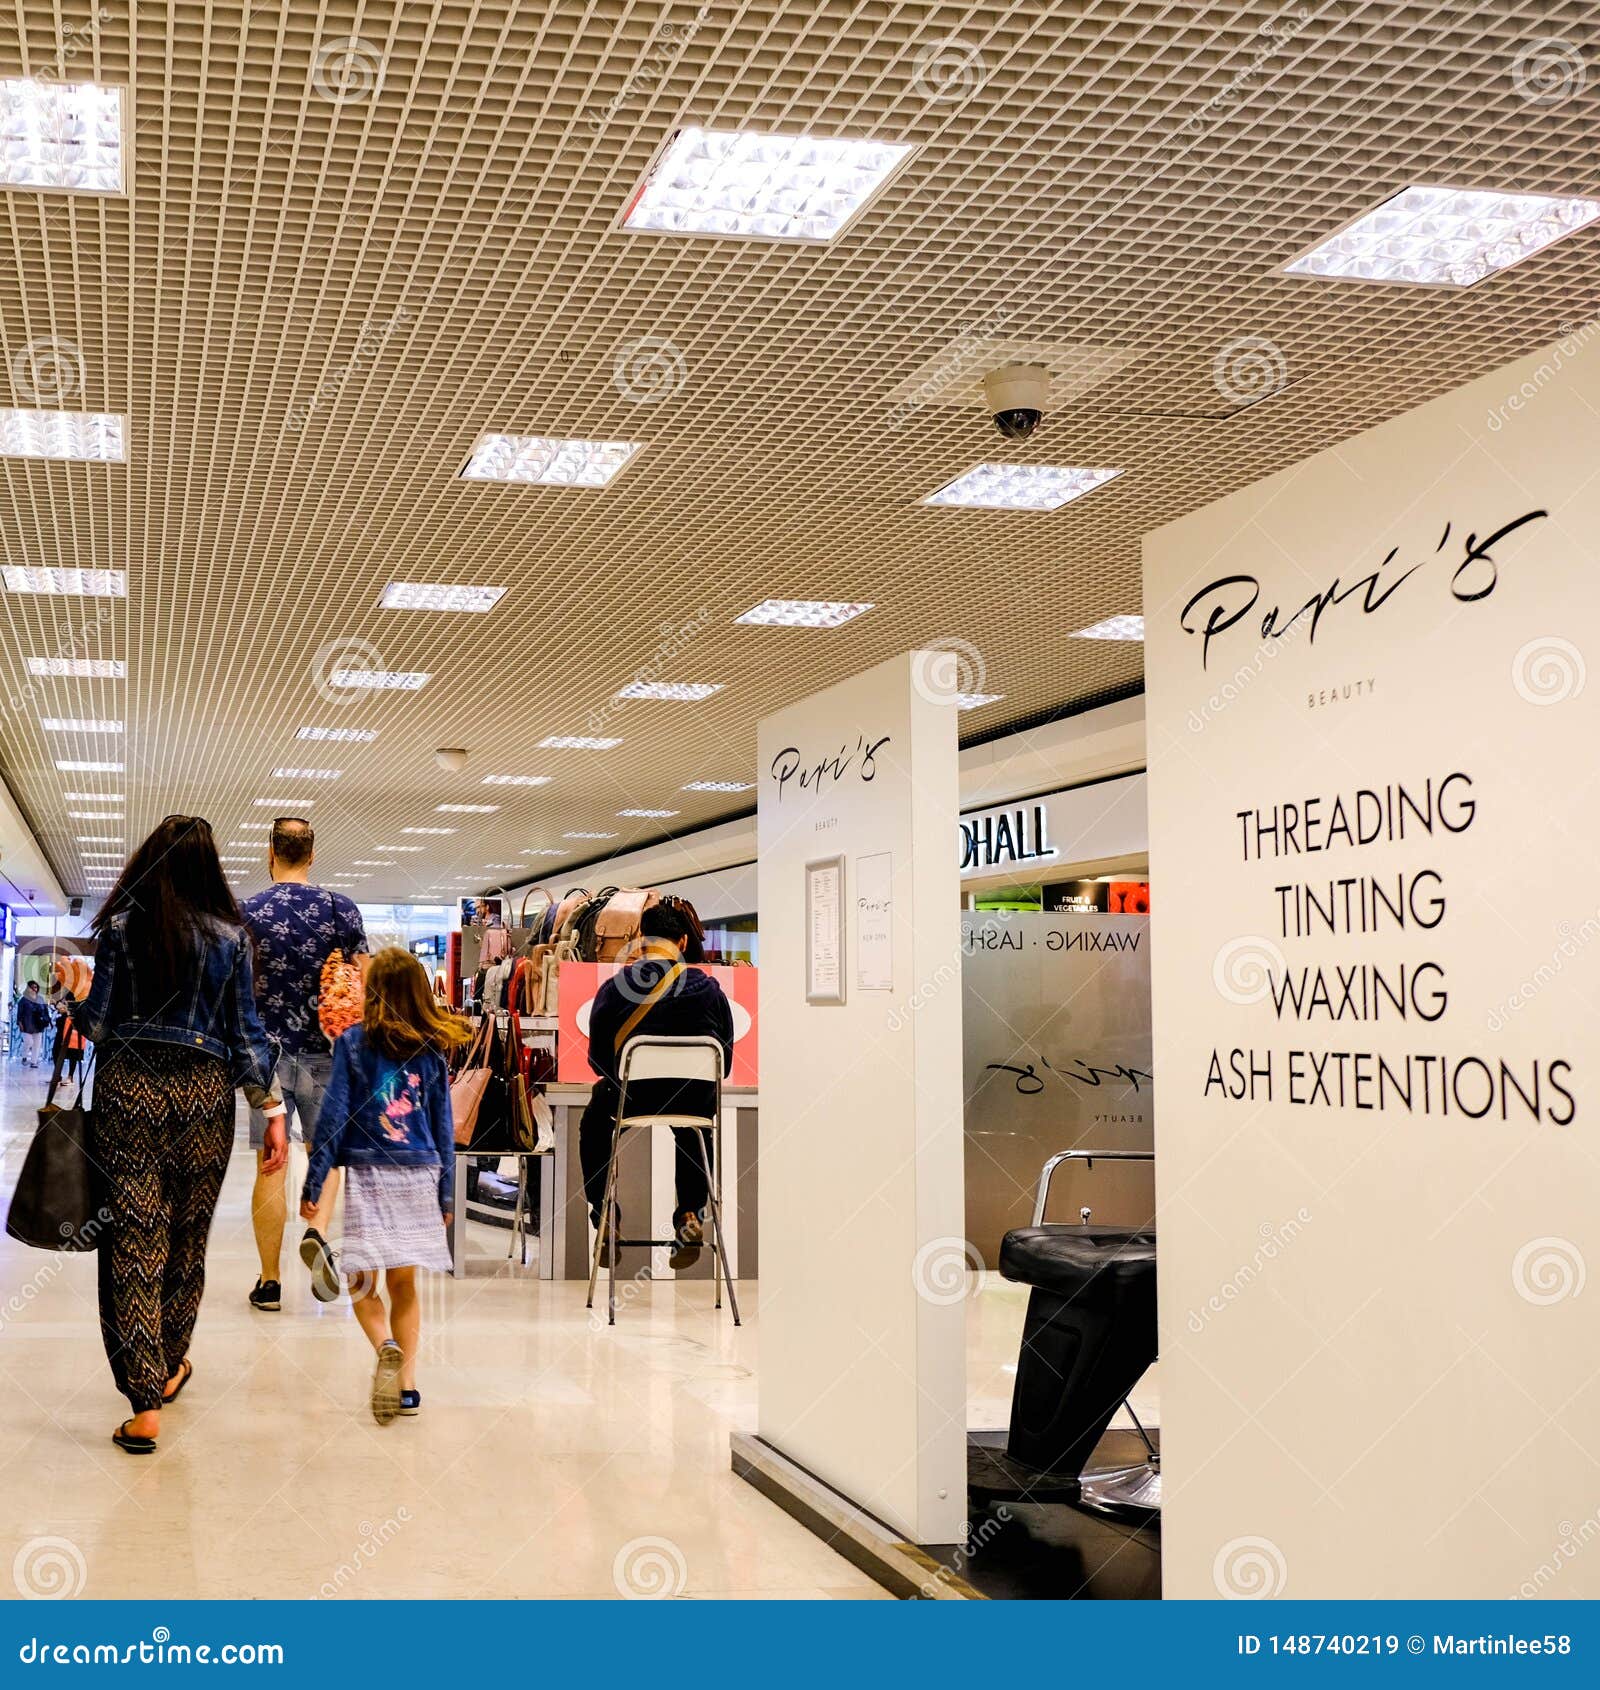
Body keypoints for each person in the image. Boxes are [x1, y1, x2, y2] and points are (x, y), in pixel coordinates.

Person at [65, 815, 286, 1455]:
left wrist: (71, 997)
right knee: (188, 1237)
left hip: (129, 1091)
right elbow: (247, 1036)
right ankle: (168, 1363)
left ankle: (143, 1403)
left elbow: (99, 1027)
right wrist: (271, 1111)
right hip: (204, 1097)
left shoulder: (124, 929)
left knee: (134, 1236)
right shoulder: (232, 938)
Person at [300, 948, 468, 1423]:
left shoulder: (353, 1043)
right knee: (405, 1285)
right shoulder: (432, 1049)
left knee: (359, 1280)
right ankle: (409, 1387)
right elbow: (443, 1125)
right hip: (420, 1171)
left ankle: (384, 1345)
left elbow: (333, 1118)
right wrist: (447, 1191)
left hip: (371, 1173)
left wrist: (316, 1182)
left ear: (373, 994)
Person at [240, 815, 367, 1310]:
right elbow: (367, 982)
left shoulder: (245, 912)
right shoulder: (340, 909)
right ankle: (315, 1231)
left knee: (271, 1164)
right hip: (325, 1053)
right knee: (326, 1154)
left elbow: (234, 990)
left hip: (265, 1055)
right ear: (313, 855)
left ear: (269, 852)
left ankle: (269, 1282)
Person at [579, 902, 734, 1271]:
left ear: (641, 942)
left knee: (596, 1118)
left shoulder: (616, 988)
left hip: (630, 1099)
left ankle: (605, 1213)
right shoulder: (711, 991)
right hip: (693, 1099)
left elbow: (599, 1061)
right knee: (694, 1126)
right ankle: (690, 1216)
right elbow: (723, 1061)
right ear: (682, 940)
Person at [16, 981, 50, 1067]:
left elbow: (45, 1011)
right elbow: (19, 1013)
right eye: (32, 987)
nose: (34, 989)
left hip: (38, 1025)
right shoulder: (23, 1000)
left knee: (37, 1045)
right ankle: (24, 1057)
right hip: (26, 1025)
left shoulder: (40, 999)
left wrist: (46, 1021)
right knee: (28, 1042)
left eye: (35, 987)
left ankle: (33, 1062)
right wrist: (20, 1024)